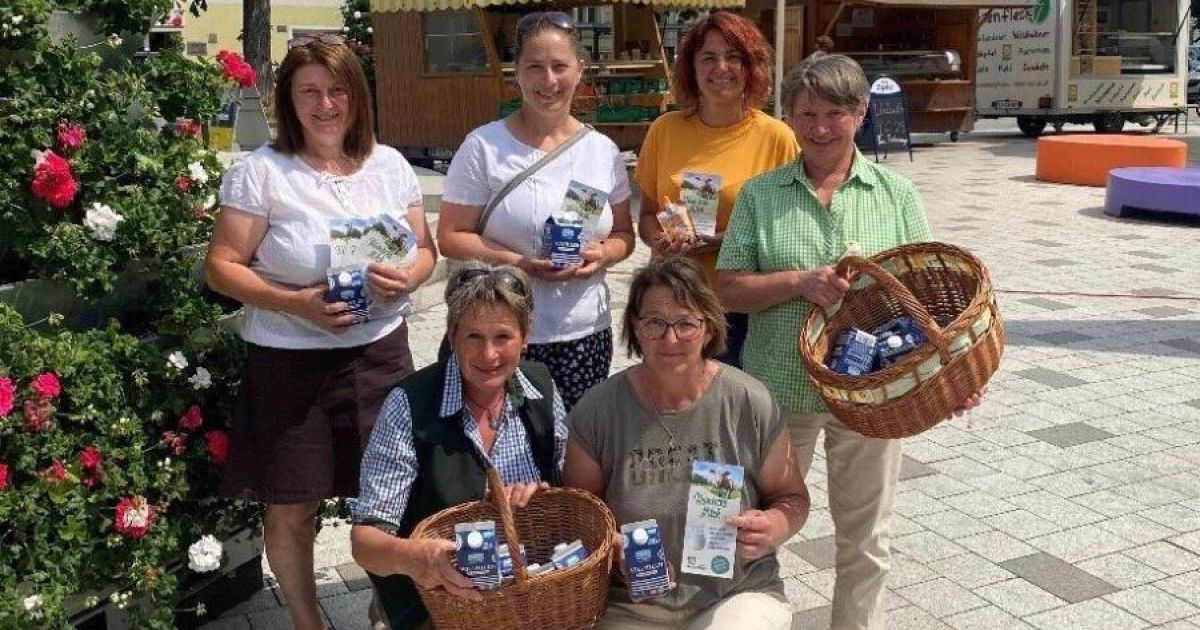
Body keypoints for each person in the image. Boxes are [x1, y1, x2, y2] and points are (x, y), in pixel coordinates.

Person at [716, 53, 981, 630]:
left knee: (866, 540)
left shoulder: (895, 194)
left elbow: (929, 302)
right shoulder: (761, 196)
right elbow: (728, 288)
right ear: (787, 115)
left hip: (873, 399)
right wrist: (797, 282)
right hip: (778, 393)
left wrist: (951, 381)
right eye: (806, 113)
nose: (819, 127)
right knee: (753, 528)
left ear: (861, 113)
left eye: (835, 113)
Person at [205, 36, 437, 630]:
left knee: (393, 496)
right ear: (289, 99)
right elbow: (222, 267)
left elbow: (426, 251)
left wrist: (406, 276)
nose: (326, 103)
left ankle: (387, 599)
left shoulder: (389, 166)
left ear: (356, 96)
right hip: (290, 363)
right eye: (309, 90)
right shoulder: (262, 173)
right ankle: (309, 621)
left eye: (337, 90)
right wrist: (296, 305)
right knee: (292, 505)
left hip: (381, 354)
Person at [565, 256, 810, 630]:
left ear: (709, 327)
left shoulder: (748, 400)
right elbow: (579, 518)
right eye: (655, 323)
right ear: (635, 326)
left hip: (736, 593)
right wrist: (614, 549)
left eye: (685, 323)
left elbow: (792, 497)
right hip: (630, 605)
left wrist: (776, 524)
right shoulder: (598, 410)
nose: (670, 338)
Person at [350, 262, 568, 629]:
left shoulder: (541, 389)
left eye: (503, 337)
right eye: (473, 337)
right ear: (452, 337)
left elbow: (572, 496)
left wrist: (545, 497)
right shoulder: (410, 404)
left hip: (526, 590)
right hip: (440, 601)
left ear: (526, 336)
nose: (489, 355)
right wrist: (414, 558)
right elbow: (365, 542)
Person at [438, 11, 635, 409]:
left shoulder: (602, 151)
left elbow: (625, 237)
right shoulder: (484, 147)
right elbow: (450, 236)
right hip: (498, 336)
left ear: (579, 70)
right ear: (517, 73)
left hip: (584, 334)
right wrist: (516, 262)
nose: (549, 81)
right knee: (503, 454)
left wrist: (602, 255)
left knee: (576, 456)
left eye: (560, 66)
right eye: (535, 67)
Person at [635, 10, 798, 368]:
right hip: (671, 304)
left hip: (740, 308)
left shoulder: (777, 138)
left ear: (751, 67)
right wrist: (661, 241)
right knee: (672, 409)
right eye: (708, 58)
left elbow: (788, 229)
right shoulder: (665, 130)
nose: (720, 68)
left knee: (731, 414)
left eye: (733, 57)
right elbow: (647, 215)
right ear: (691, 68)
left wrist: (721, 240)